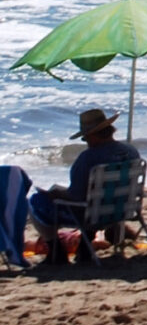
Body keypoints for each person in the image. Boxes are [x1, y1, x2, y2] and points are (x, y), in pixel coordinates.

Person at [25, 107, 140, 262]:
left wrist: (56, 195)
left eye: (86, 138)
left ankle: (55, 250)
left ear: (93, 135)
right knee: (87, 197)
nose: (86, 142)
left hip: (91, 216)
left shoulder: (88, 158)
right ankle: (84, 246)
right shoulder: (131, 152)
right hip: (122, 210)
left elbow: (76, 196)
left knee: (35, 201)